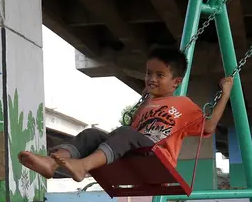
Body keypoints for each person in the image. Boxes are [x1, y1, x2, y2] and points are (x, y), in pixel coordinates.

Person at [19, 46, 233, 181]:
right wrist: (147, 99)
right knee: (92, 134)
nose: (152, 79)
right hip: (135, 153)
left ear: (176, 82)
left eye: (160, 75)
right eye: (149, 73)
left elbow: (209, 126)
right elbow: (133, 131)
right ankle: (51, 163)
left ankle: (83, 166)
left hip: (157, 157)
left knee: (125, 133)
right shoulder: (147, 103)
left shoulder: (183, 104)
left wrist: (224, 94)